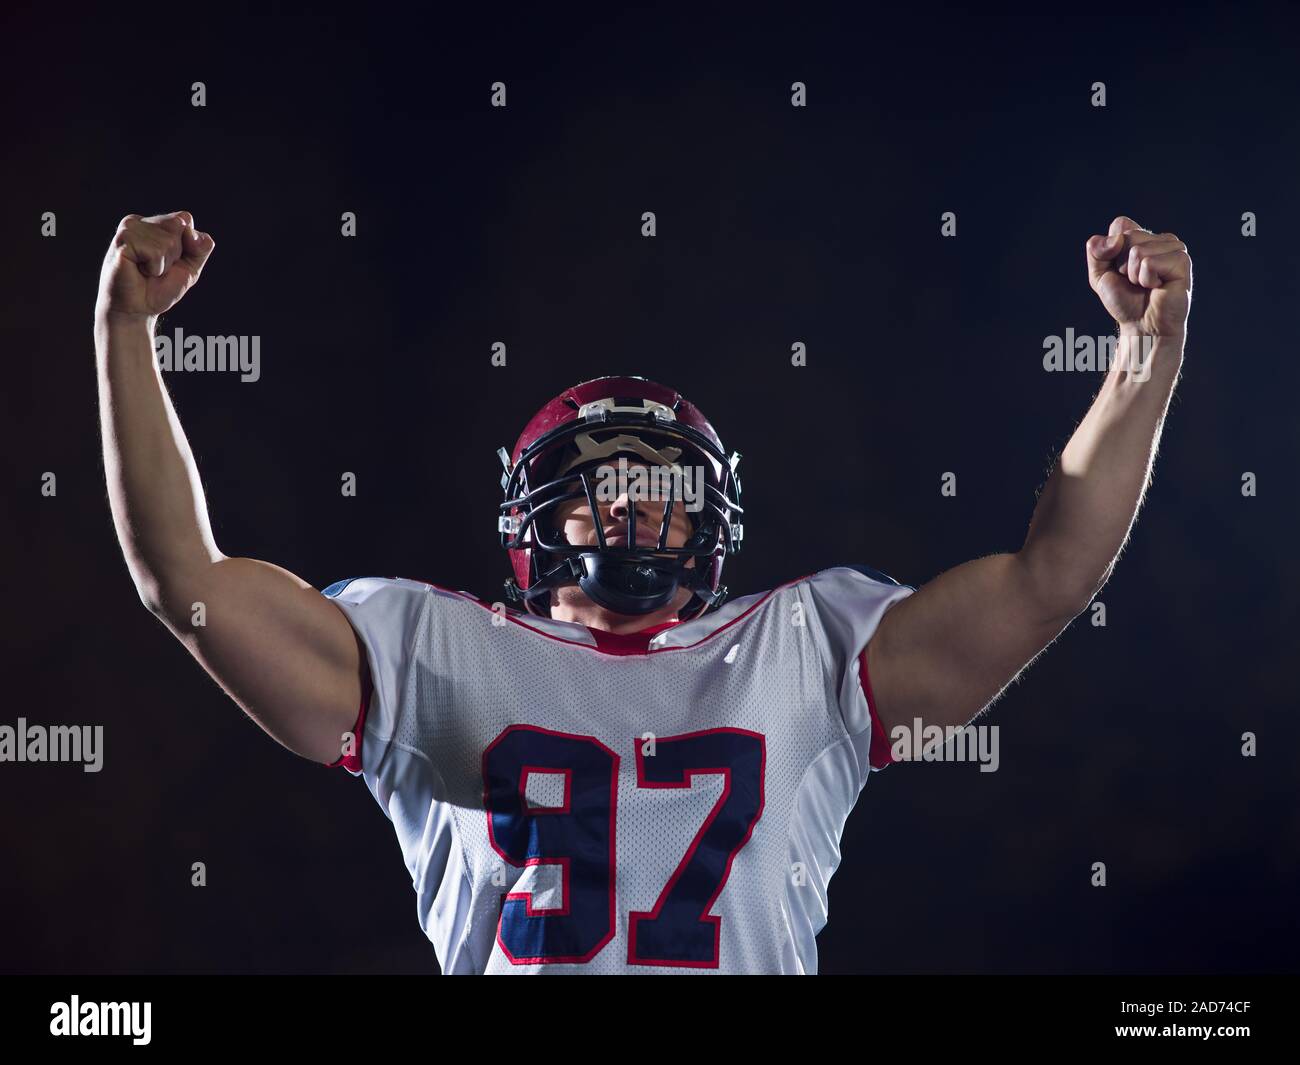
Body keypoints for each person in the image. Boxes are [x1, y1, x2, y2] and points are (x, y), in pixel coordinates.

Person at [95, 210, 1191, 973]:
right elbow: (181, 578)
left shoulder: (805, 645)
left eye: (661, 491)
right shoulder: (427, 646)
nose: (631, 513)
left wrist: (1146, 356)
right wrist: (124, 333)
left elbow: (1052, 573)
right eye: (599, 491)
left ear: (709, 516)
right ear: (532, 518)